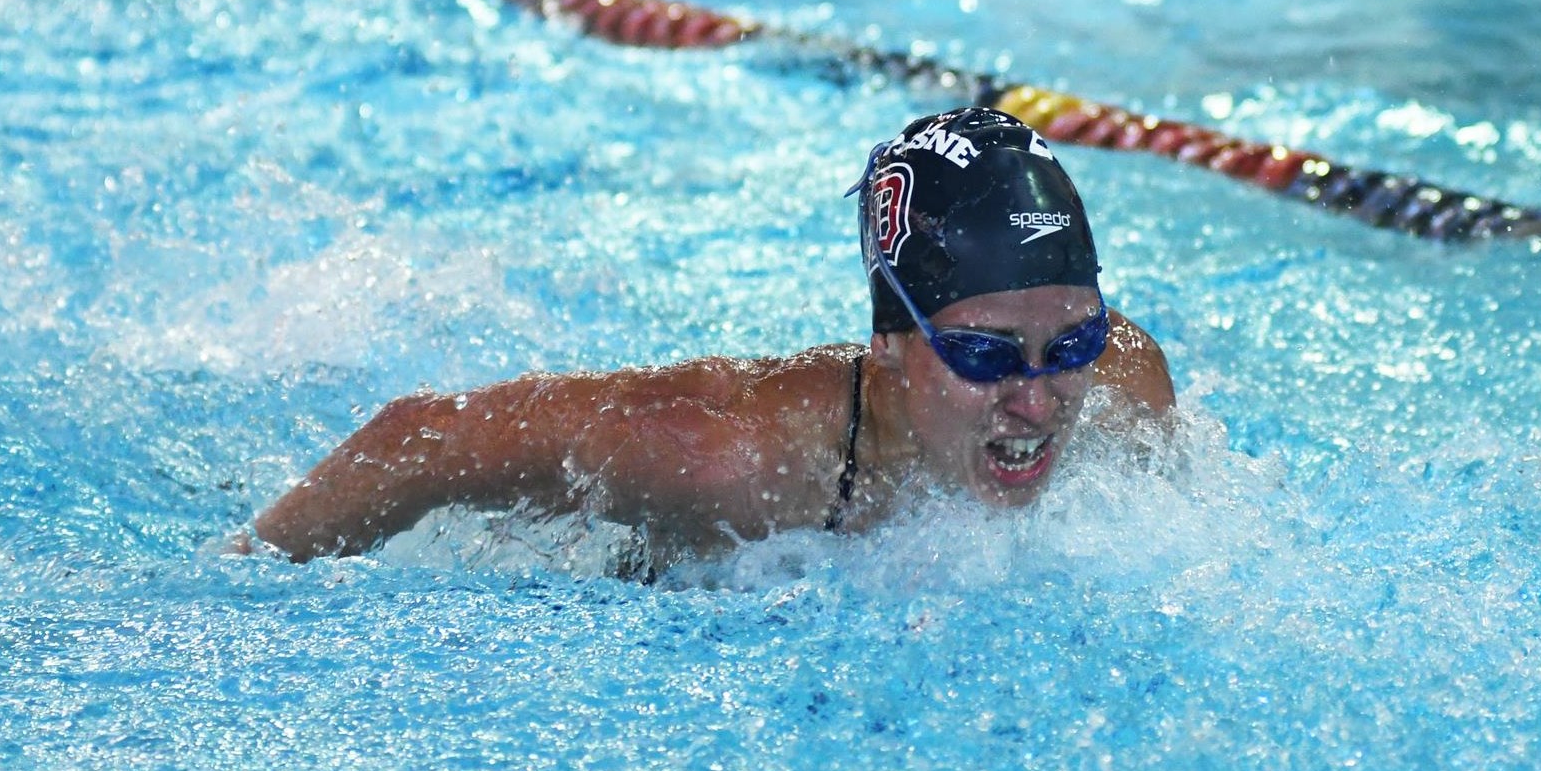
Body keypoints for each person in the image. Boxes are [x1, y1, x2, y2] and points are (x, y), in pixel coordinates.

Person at [245, 107, 1174, 570]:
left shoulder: (1122, 385)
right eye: (984, 352)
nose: (1038, 397)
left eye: (1073, 339)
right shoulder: (725, 452)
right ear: (889, 339)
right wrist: (238, 586)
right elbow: (418, 436)